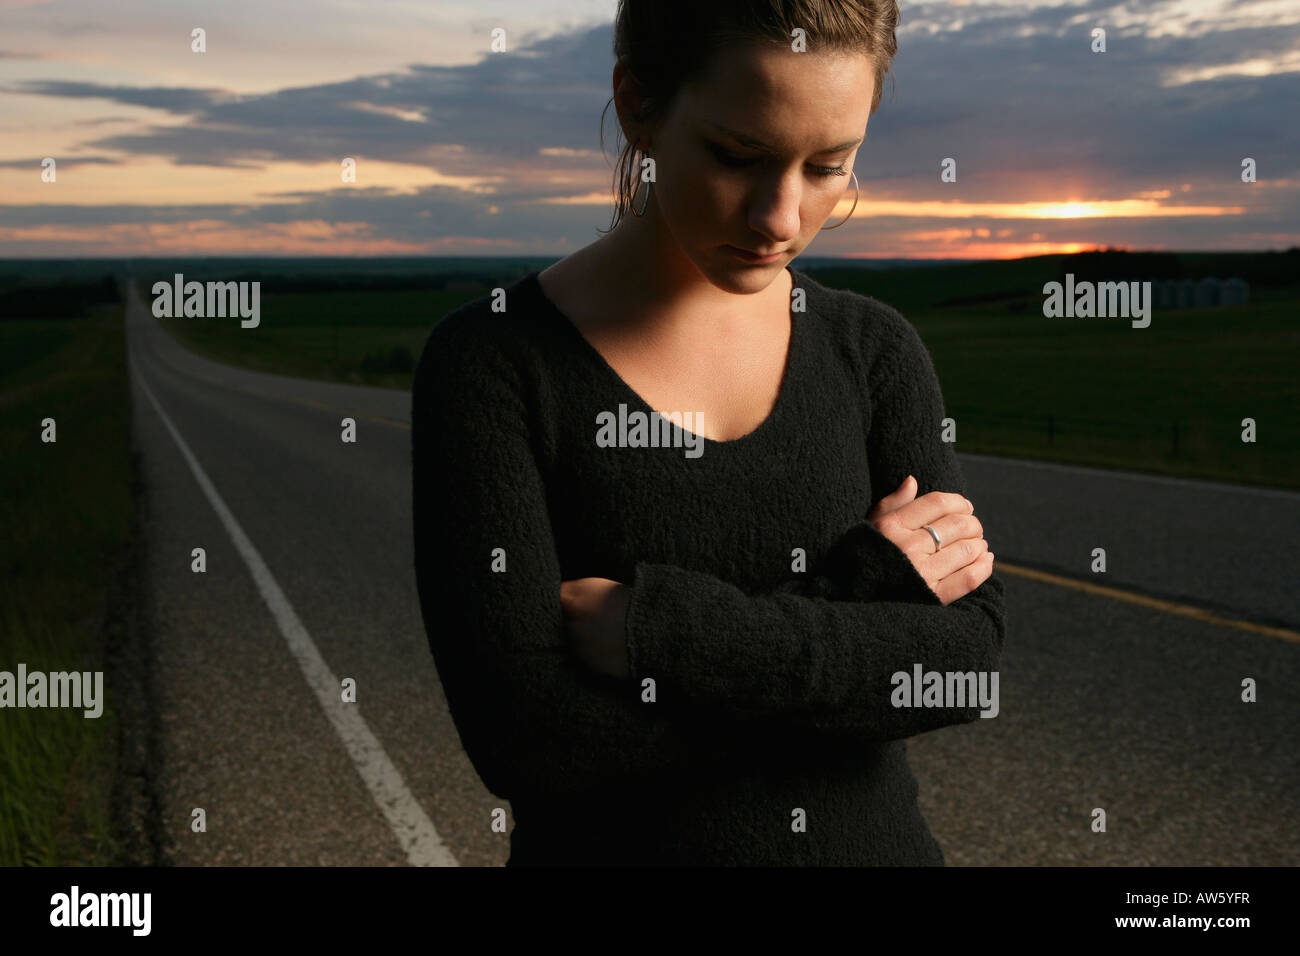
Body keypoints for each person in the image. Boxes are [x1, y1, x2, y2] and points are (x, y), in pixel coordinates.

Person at [411, 0, 1006, 866]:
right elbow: (531, 740)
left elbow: (968, 662)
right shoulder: (493, 362)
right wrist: (866, 617)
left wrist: (669, 637)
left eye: (828, 166)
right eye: (738, 156)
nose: (779, 216)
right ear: (637, 105)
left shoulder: (874, 350)